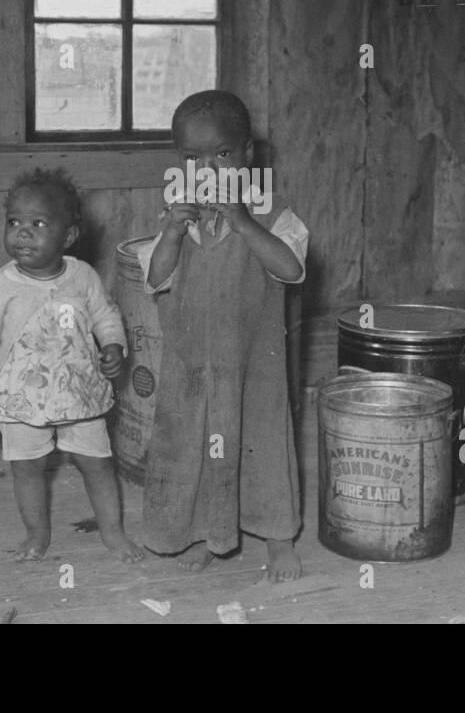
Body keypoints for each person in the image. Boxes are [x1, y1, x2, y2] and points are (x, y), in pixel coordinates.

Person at [137, 90, 309, 581]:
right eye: (192, 158)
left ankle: (279, 539)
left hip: (256, 365)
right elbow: (155, 278)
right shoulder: (176, 214)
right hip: (193, 366)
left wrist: (242, 220)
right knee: (195, 446)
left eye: (223, 155)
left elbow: (292, 268)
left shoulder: (273, 211)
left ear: (249, 155)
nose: (207, 169)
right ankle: (212, 537)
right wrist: (171, 232)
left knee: (264, 444)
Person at [0, 168, 142, 562]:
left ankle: (113, 532)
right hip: (21, 397)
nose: (23, 232)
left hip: (79, 391)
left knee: (97, 463)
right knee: (28, 468)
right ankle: (37, 534)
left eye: (38, 223)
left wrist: (113, 346)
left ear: (69, 236)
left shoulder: (83, 277)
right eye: (14, 222)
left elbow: (106, 316)